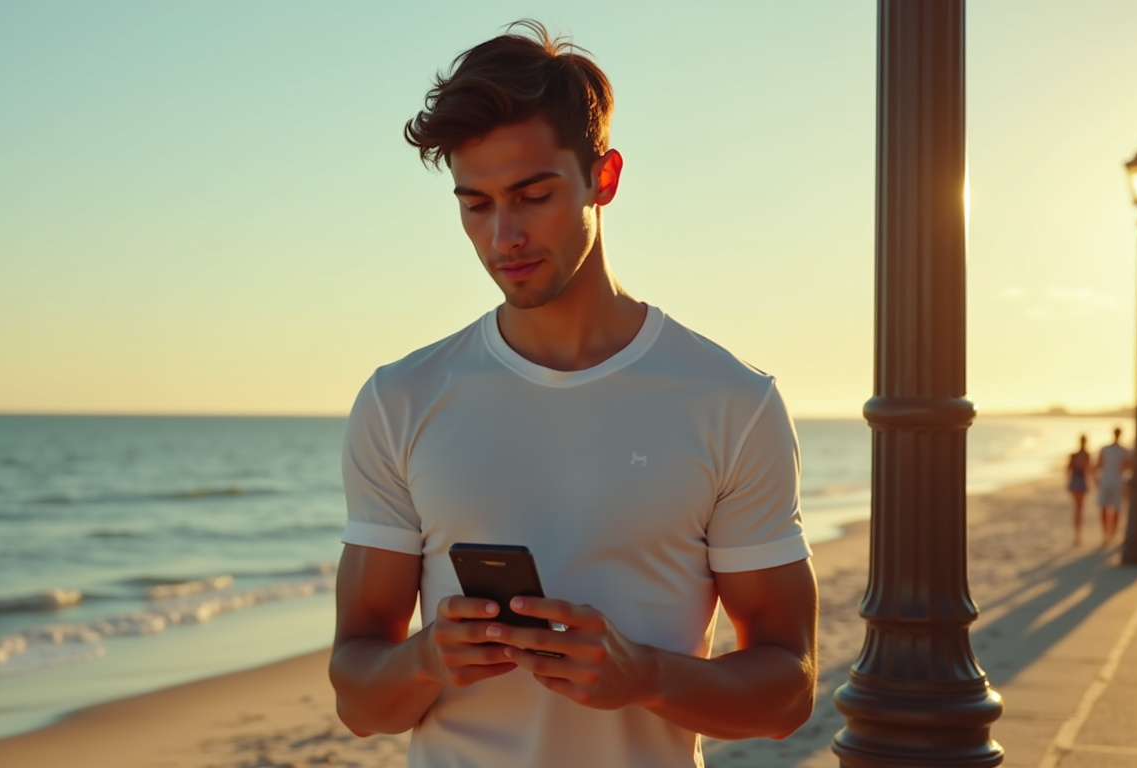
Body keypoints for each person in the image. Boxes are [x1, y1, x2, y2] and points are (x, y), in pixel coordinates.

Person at [328, 20, 818, 767]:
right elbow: (360, 701)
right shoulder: (402, 399)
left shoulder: (729, 402)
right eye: (476, 205)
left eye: (532, 194)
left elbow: (788, 693)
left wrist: (645, 675)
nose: (503, 238)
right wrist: (428, 658)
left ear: (604, 179)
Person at [1093, 427, 1132, 547]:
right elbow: (1127, 466)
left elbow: (1098, 466)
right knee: (1116, 509)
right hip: (1117, 481)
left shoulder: (1105, 449)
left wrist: (1096, 480)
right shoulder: (1123, 450)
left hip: (1106, 480)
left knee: (1104, 508)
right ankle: (1112, 534)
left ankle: (1106, 535)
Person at [1066, 434, 1092, 546]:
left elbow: (1068, 469)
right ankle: (1078, 535)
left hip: (1075, 482)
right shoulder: (1086, 455)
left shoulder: (1074, 455)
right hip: (1081, 482)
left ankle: (1077, 535)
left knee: (1077, 510)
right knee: (1079, 510)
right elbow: (1088, 470)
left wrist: (1069, 482)